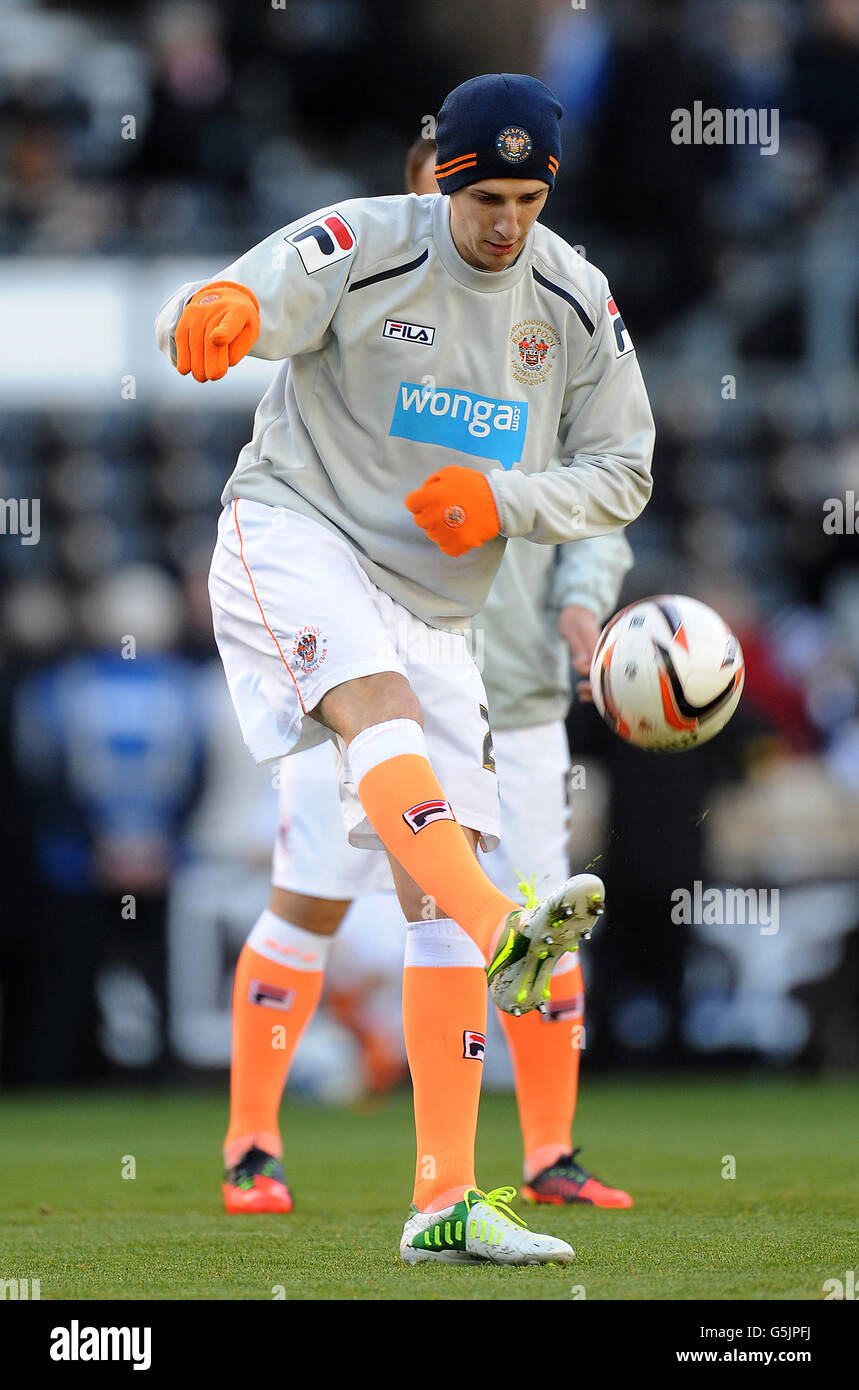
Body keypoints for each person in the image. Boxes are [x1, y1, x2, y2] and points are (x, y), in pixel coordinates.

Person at [156, 73, 654, 1266]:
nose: (508, 222)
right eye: (489, 195)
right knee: (369, 801)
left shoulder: (577, 301)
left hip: (439, 605)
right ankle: (494, 938)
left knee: (436, 888)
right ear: (442, 176)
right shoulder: (367, 240)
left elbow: (625, 467)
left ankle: (444, 1196)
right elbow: (253, 286)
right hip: (296, 528)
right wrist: (213, 305)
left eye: (531, 198)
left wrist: (504, 497)